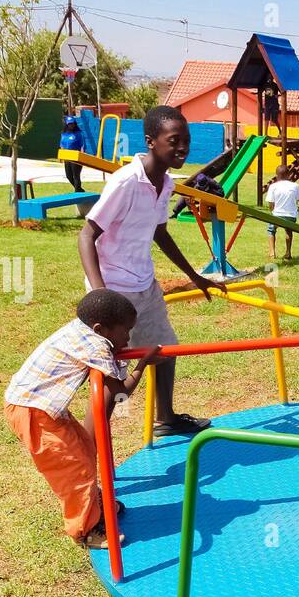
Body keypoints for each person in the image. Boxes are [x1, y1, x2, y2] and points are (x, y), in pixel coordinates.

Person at [78, 105, 224, 438]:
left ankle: (166, 418)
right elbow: (87, 234)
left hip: (144, 283)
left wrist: (194, 275)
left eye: (185, 141)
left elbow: (160, 232)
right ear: (151, 141)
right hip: (113, 290)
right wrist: (101, 294)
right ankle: (92, 449)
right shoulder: (126, 183)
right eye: (174, 141)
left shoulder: (167, 183)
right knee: (112, 375)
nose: (182, 148)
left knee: (163, 350)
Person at [4, 289, 161, 548]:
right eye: (125, 331)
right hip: (32, 411)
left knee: (85, 450)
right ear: (101, 329)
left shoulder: (82, 331)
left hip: (42, 406)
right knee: (73, 468)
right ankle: (86, 531)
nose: (128, 337)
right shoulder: (97, 345)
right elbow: (120, 393)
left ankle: (93, 503)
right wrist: (144, 363)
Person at [264, 164, 299, 261]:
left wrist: (273, 211)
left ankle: (272, 252)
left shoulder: (273, 186)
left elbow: (271, 205)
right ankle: (288, 252)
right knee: (288, 230)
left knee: (271, 230)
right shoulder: (295, 186)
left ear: (277, 175)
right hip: (291, 216)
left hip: (277, 215)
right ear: (289, 175)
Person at [60, 115, 85, 192]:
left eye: (73, 123)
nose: (71, 125)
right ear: (67, 124)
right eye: (70, 124)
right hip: (67, 158)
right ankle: (79, 189)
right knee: (68, 176)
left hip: (76, 157)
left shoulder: (78, 134)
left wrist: (82, 155)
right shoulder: (63, 135)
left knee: (76, 175)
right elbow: (61, 145)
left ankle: (77, 190)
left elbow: (82, 145)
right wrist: (61, 156)